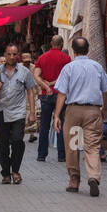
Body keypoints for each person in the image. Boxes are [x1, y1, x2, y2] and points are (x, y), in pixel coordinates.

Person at [52, 36, 107, 196]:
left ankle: (74, 180)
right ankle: (93, 176)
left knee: (72, 145)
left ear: (73, 50)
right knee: (92, 146)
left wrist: (57, 115)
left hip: (73, 111)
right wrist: (104, 108)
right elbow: (106, 90)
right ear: (88, 50)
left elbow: (62, 94)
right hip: (93, 111)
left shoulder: (69, 68)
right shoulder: (97, 67)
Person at [0, 44, 37, 184]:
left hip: (18, 113)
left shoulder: (24, 72)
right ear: (5, 54)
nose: (11, 57)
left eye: (14, 54)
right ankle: (6, 173)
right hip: (1, 112)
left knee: (17, 141)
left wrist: (32, 112)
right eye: (9, 54)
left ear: (18, 55)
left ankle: (15, 170)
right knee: (2, 144)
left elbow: (30, 91)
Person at [34, 35, 70, 163]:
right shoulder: (66, 58)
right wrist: (53, 83)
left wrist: (45, 85)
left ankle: (41, 155)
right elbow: (66, 77)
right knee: (61, 123)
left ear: (51, 43)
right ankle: (62, 155)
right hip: (61, 94)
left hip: (46, 95)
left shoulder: (42, 57)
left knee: (44, 126)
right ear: (61, 44)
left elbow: (36, 75)